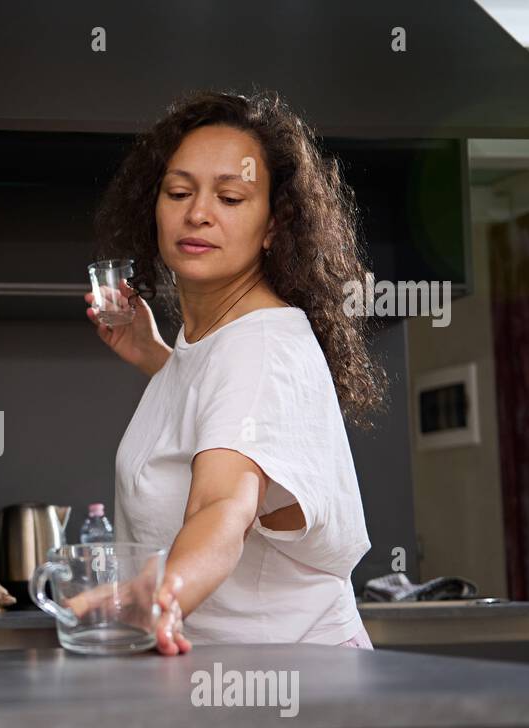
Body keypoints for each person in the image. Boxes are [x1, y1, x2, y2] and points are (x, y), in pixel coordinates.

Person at [84, 90, 386, 656]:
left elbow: (222, 505)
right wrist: (159, 357)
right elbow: (221, 412)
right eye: (179, 192)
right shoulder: (214, 341)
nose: (198, 212)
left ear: (275, 226)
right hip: (223, 675)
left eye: (230, 196)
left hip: (288, 688)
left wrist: (160, 599)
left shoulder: (262, 346)